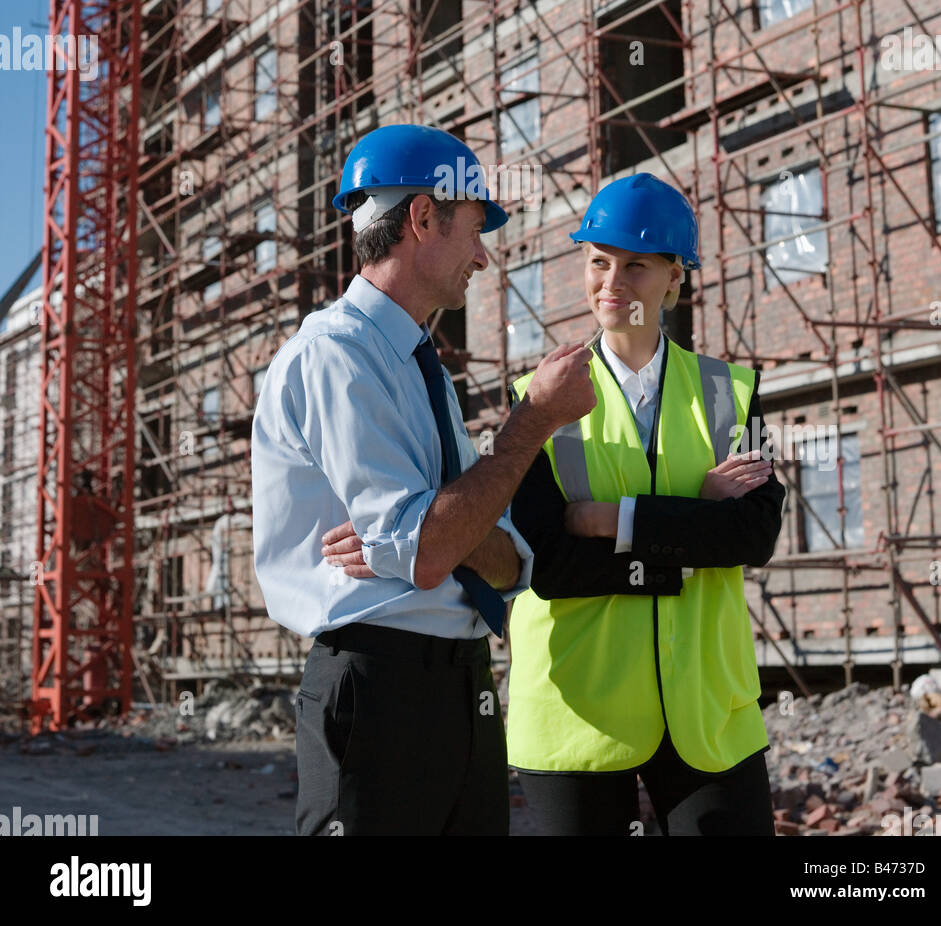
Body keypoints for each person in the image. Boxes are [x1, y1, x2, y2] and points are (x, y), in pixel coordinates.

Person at [250, 123, 596, 836]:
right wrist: (529, 423)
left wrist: (432, 536)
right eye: (474, 229)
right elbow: (435, 550)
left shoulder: (421, 369)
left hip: (459, 685)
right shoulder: (334, 358)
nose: (483, 254)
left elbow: (499, 563)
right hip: (378, 686)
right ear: (421, 218)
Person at [506, 172, 786, 836]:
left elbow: (752, 535)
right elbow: (548, 561)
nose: (611, 282)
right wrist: (689, 530)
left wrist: (612, 519)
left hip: (704, 709)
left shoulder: (726, 393)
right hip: (577, 710)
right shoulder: (540, 397)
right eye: (597, 262)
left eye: (634, 264)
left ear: (674, 278)